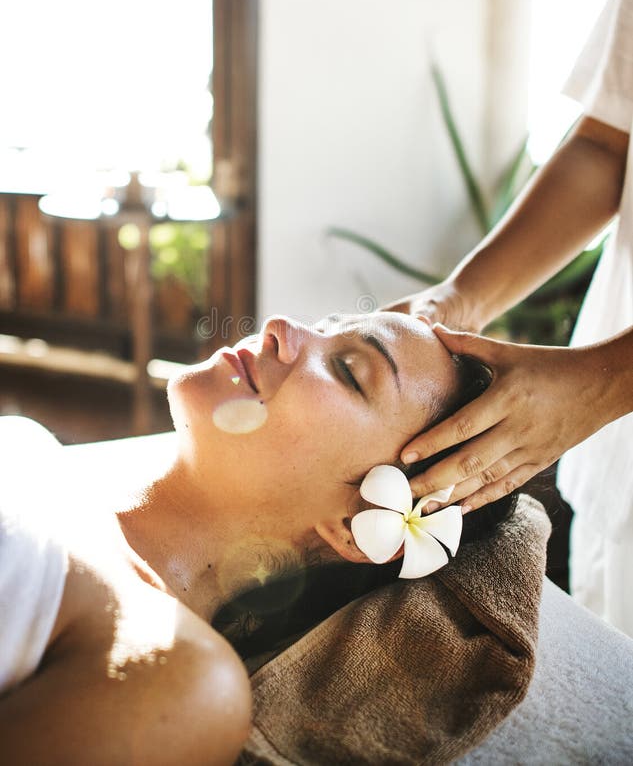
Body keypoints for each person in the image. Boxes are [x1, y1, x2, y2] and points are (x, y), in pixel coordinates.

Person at [0, 311, 513, 764]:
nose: (281, 328)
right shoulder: (48, 461)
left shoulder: (181, 674)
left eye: (350, 371)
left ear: (356, 525)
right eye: (324, 326)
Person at [386, 0, 633, 635]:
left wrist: (608, 380)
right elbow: (607, 146)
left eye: (350, 371)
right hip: (616, 472)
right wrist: (458, 298)